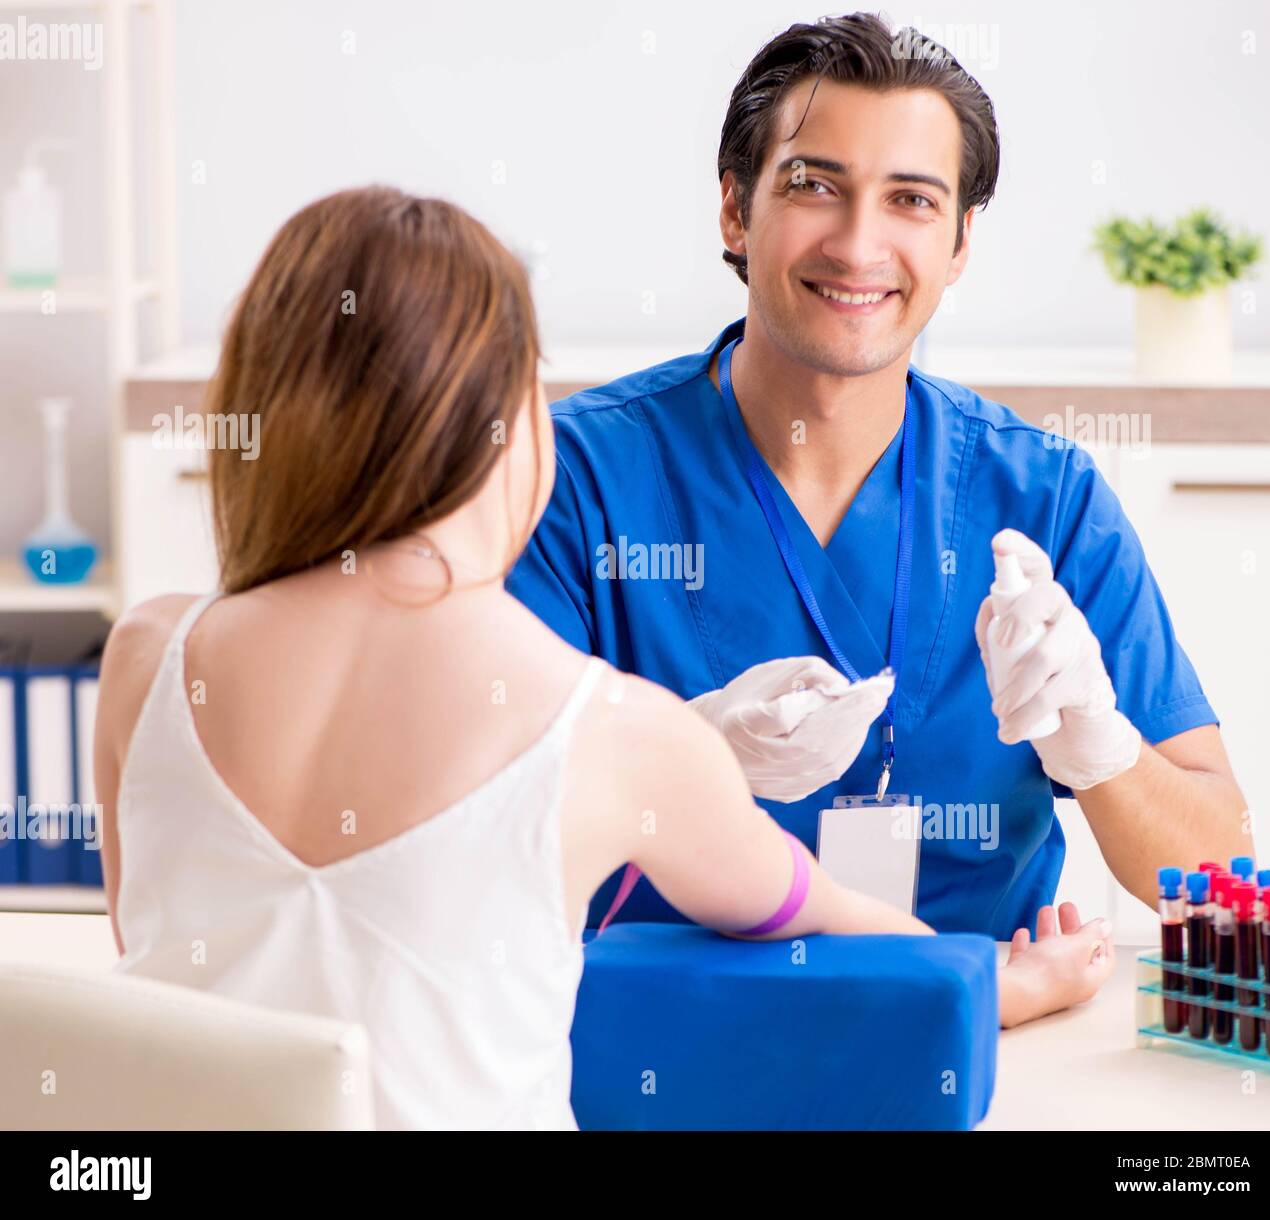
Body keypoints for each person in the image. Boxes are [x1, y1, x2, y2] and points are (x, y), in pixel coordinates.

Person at [94, 187, 1113, 1131]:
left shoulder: (144, 658)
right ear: (506, 426)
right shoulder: (610, 727)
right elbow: (848, 938)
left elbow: (165, 954)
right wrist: (1016, 981)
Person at [505, 13, 1250, 938]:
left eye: (912, 200)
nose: (858, 246)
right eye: (815, 185)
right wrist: (683, 754)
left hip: (981, 1057)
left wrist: (1103, 743)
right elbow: (479, 841)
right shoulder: (574, 481)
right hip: (672, 1046)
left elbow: (1219, 877)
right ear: (737, 208)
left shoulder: (1044, 497)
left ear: (961, 241)